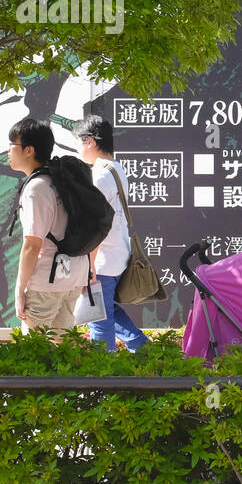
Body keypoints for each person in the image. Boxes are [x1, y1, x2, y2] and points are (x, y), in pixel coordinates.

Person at [75, 115, 149, 352]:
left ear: (90, 143)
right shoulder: (115, 169)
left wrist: (90, 264)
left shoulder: (100, 175)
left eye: (79, 142)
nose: (78, 149)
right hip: (117, 255)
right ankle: (141, 348)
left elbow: (96, 224)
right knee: (107, 310)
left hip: (103, 261)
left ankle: (103, 375)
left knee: (99, 319)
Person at [6, 118, 88, 330]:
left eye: (12, 144)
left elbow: (32, 245)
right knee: (62, 348)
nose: (8, 150)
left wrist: (20, 290)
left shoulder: (37, 188)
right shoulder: (61, 180)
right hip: (73, 275)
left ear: (29, 150)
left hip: (46, 280)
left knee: (33, 352)